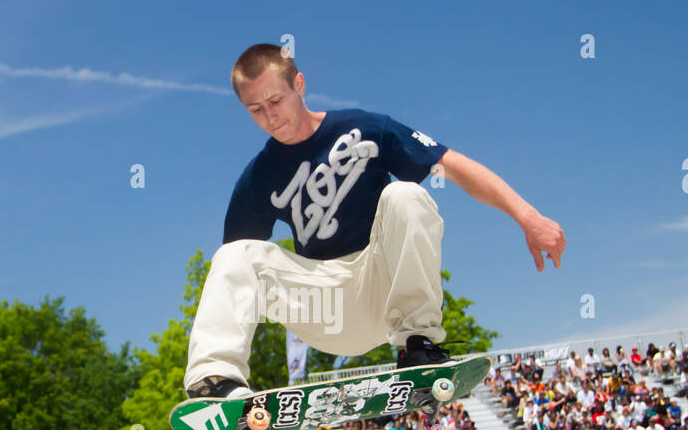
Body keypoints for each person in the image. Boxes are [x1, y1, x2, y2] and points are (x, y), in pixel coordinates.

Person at [181, 43, 565, 403]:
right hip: (323, 305)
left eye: (275, 100)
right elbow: (235, 278)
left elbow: (452, 166)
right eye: (255, 109)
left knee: (406, 194)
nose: (270, 117)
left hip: (382, 287)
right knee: (233, 254)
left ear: (299, 84)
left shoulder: (365, 129)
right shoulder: (259, 177)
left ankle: (419, 347)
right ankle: (216, 382)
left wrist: (527, 217)